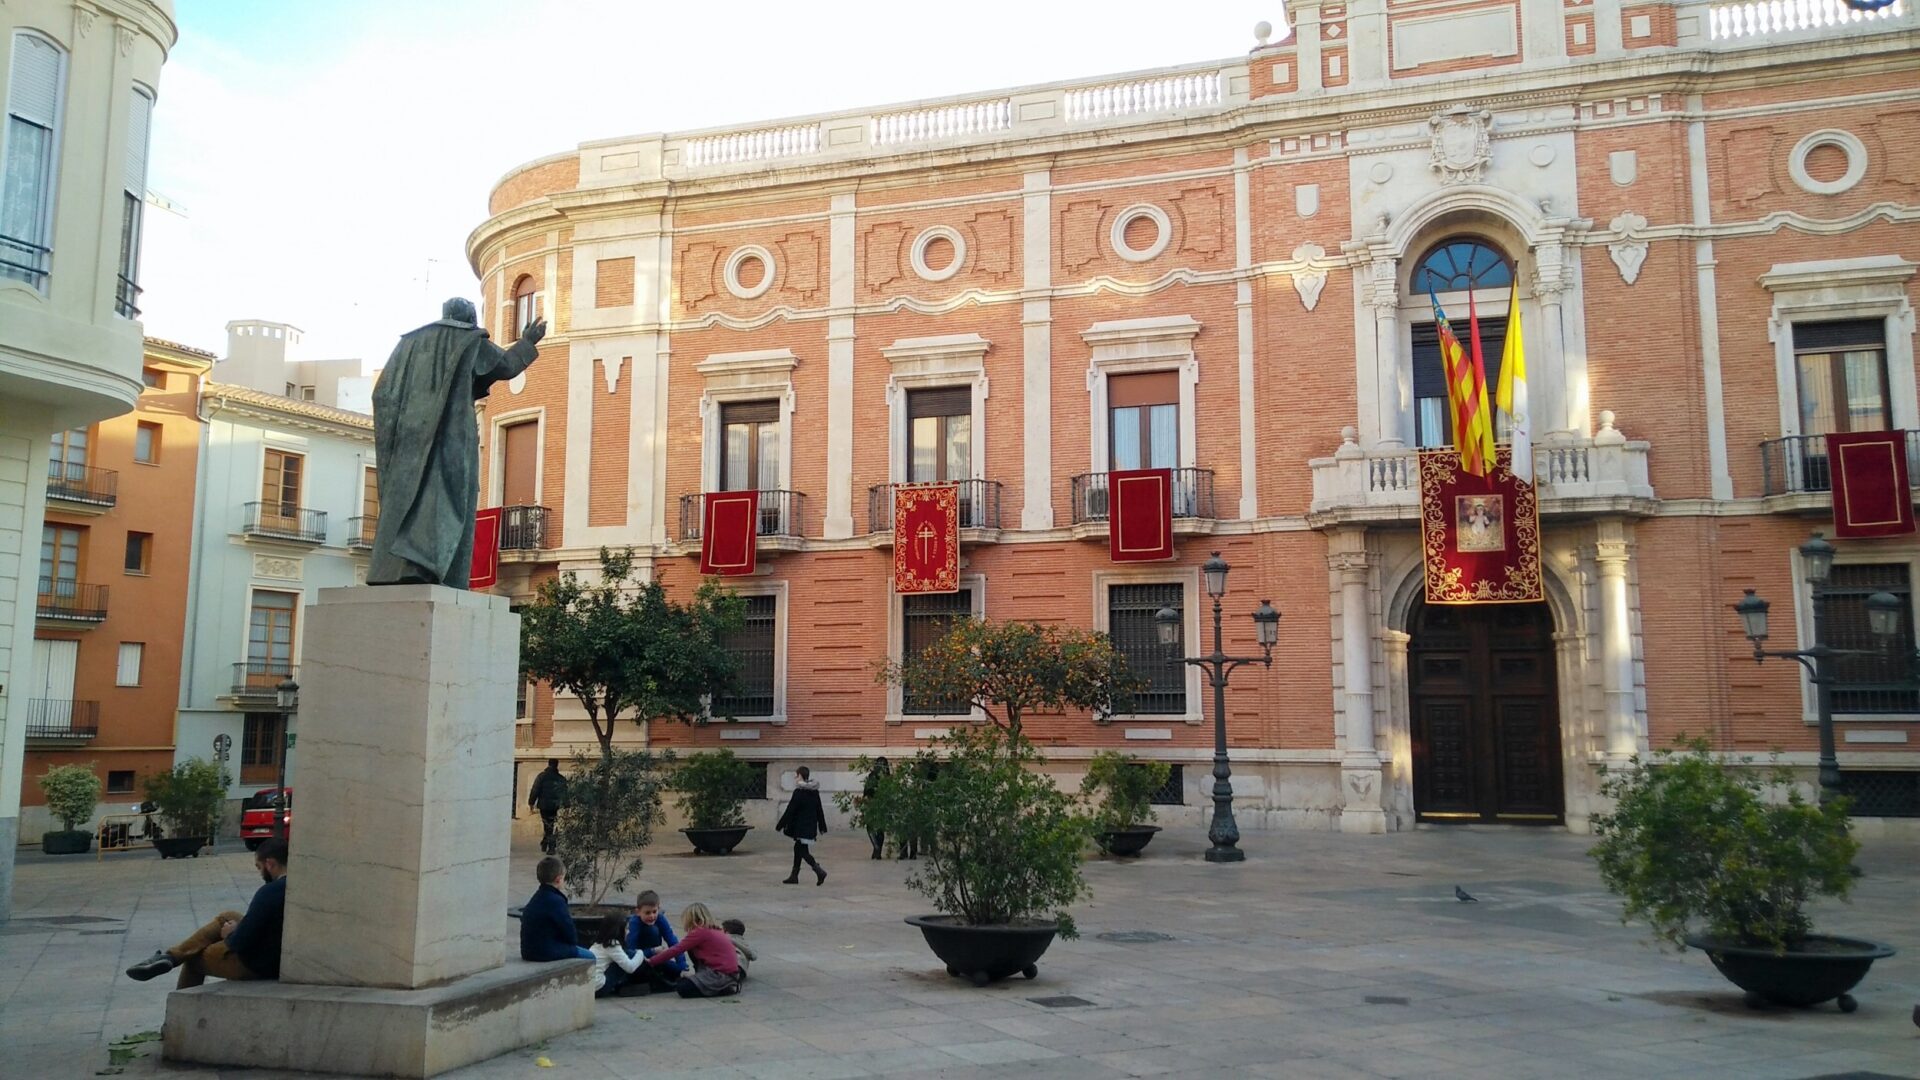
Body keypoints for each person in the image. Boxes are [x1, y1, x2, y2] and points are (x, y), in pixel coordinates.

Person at [367, 299, 545, 588]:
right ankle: (429, 567)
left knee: (408, 499)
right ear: (470, 319)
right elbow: (505, 365)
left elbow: (382, 394)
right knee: (450, 498)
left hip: (409, 439)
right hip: (452, 434)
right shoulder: (467, 339)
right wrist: (528, 342)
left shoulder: (407, 344)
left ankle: (394, 568)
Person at [126, 839, 289, 988]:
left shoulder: (270, 892)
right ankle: (170, 957)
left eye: (259, 867)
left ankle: (182, 999)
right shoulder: (294, 886)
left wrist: (231, 933)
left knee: (193, 958)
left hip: (258, 965)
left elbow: (239, 942)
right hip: (277, 955)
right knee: (228, 915)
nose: (260, 874)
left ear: (270, 864)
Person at [642, 903, 742, 998]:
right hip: (730, 974)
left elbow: (676, 949)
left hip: (719, 975)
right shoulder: (714, 930)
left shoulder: (700, 932)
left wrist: (651, 961)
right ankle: (711, 982)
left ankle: (719, 987)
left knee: (683, 987)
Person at [520, 856, 592, 963]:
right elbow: (570, 933)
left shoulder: (537, 897)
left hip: (528, 950)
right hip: (546, 951)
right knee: (592, 957)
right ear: (558, 879)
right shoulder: (556, 901)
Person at [620, 889, 686, 995]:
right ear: (638, 912)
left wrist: (682, 963)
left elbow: (672, 941)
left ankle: (656, 980)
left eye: (654, 912)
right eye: (647, 913)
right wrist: (652, 951)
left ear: (658, 909)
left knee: (676, 970)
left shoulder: (660, 918)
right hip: (640, 961)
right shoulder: (634, 923)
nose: (652, 916)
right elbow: (630, 951)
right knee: (652, 930)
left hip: (656, 959)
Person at [776, 766, 828, 886]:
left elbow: (790, 810)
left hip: (801, 828)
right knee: (798, 848)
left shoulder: (799, 792)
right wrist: (822, 826)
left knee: (803, 851)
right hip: (809, 827)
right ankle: (794, 876)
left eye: (796, 775)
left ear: (800, 776)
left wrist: (780, 825)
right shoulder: (814, 792)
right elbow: (819, 810)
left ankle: (819, 871)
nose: (795, 778)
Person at [587, 926, 644, 998]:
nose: (629, 932)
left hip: (589, 986)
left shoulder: (599, 942)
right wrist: (640, 953)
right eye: (626, 928)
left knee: (627, 954)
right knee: (631, 955)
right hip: (599, 988)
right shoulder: (612, 944)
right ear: (619, 930)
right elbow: (630, 968)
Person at [528, 760, 567, 855]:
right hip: (554, 805)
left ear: (548, 764)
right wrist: (567, 804)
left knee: (547, 825)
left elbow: (535, 790)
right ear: (557, 765)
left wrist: (531, 803)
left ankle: (548, 845)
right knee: (550, 824)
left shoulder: (541, 777)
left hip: (544, 805)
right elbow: (565, 792)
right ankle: (547, 843)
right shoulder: (560, 778)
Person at [862, 757, 889, 860]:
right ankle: (877, 849)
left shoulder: (877, 777)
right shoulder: (879, 776)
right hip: (877, 804)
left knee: (874, 827)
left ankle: (877, 849)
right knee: (876, 827)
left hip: (876, 804)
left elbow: (867, 790)